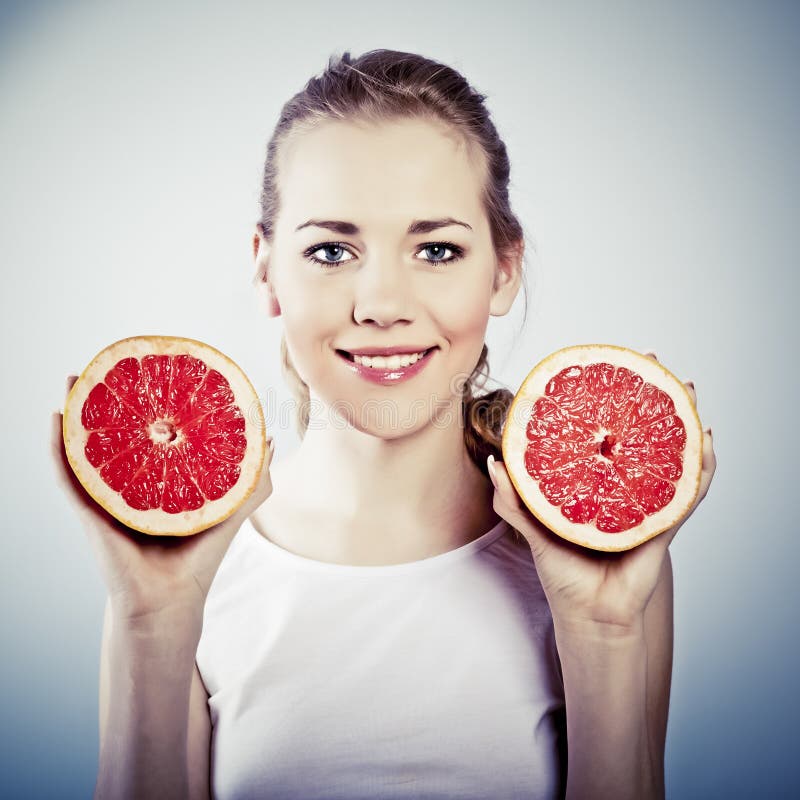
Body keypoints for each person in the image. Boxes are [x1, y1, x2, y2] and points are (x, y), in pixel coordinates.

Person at [51, 49, 716, 800]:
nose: (381, 304)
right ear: (266, 268)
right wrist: (151, 622)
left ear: (504, 270)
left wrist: (604, 631)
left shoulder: (595, 558)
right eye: (331, 251)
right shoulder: (187, 565)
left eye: (437, 250)